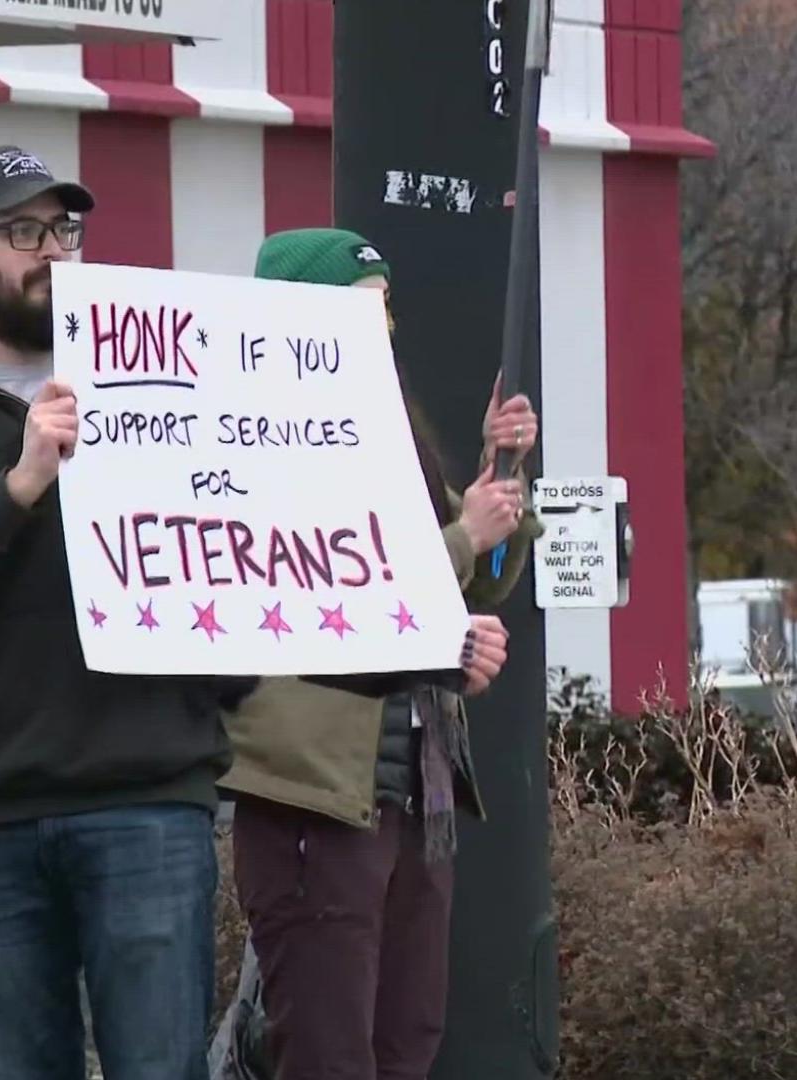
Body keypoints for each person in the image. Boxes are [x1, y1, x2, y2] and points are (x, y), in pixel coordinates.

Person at [0, 151, 512, 1080]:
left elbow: (283, 569)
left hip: (149, 796)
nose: (54, 251)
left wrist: (435, 650)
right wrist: (20, 482)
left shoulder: (169, 372)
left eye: (64, 230)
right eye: (23, 233)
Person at [216, 228, 543, 1080]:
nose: (383, 329)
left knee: (407, 1044)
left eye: (385, 308)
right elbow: (340, 595)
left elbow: (468, 584)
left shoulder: (391, 432)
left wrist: (497, 477)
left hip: (417, 784)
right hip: (317, 792)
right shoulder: (249, 447)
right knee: (329, 1051)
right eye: (359, 311)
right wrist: (465, 536)